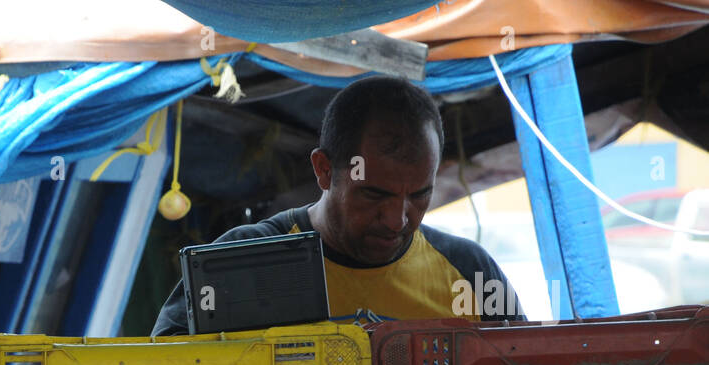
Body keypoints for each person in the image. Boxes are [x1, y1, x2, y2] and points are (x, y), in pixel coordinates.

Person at [151, 76, 526, 336]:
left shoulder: (473, 272)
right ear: (324, 170)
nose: (397, 220)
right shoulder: (240, 260)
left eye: (418, 195)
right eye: (375, 194)